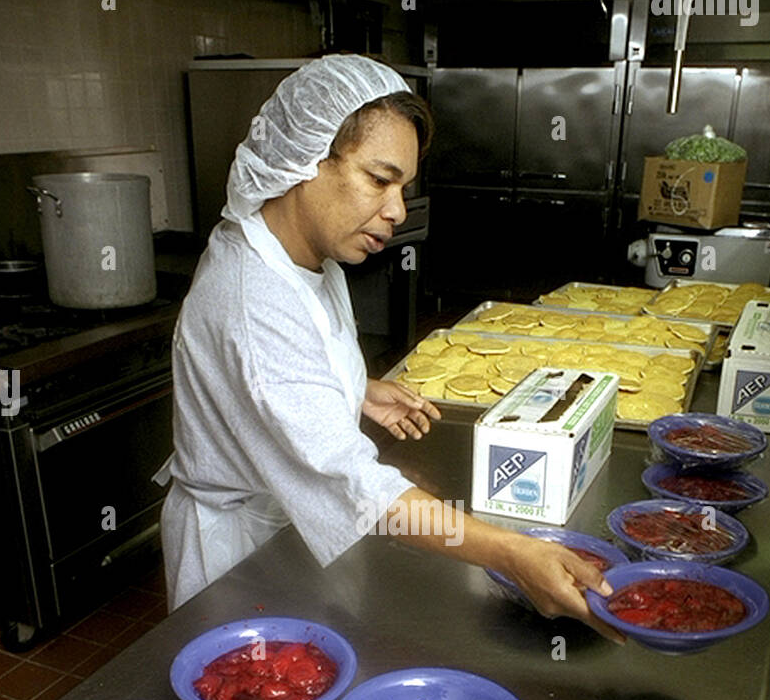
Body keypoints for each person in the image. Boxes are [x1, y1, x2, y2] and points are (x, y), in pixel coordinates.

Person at [159, 54, 622, 642]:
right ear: (305, 160)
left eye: (403, 186)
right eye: (379, 180)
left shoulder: (297, 248)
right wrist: (510, 552)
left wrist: (353, 389)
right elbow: (352, 484)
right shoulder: (252, 297)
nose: (397, 211)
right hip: (237, 556)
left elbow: (275, 378)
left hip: (288, 523)